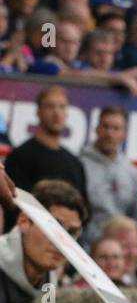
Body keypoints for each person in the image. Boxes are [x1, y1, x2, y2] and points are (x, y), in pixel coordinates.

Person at [2, 86, 88, 231]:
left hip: (69, 243)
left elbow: (84, 210)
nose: (57, 113)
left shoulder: (75, 163)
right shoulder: (20, 157)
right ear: (38, 112)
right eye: (50, 106)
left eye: (62, 107)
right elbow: (13, 206)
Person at [80, 106, 137, 246]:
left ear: (124, 134)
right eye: (105, 126)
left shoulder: (131, 171)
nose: (109, 133)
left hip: (120, 253)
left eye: (116, 128)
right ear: (96, 129)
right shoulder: (79, 164)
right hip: (86, 249)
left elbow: (135, 217)